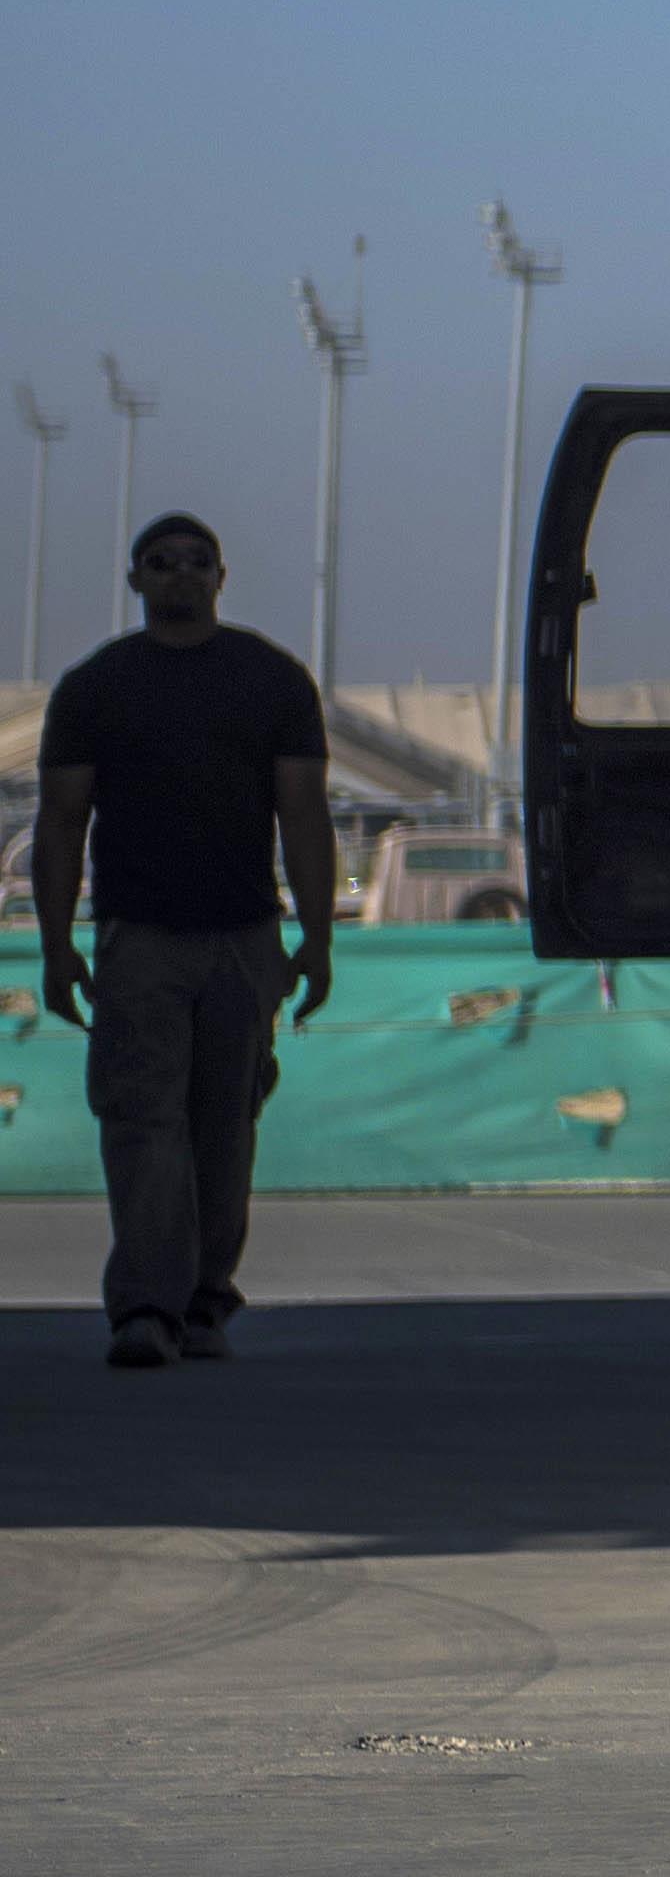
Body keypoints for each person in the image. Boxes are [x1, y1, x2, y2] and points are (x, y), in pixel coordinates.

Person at [29, 515, 334, 1368]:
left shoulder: (271, 681)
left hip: (243, 935)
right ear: (136, 582)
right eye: (162, 565)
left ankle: (203, 1296)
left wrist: (315, 938)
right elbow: (60, 824)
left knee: (225, 1124)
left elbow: (304, 815)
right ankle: (147, 1309)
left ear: (221, 576)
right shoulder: (96, 689)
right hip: (140, 941)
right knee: (142, 1120)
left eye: (196, 563)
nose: (180, 577)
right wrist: (57, 947)